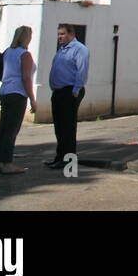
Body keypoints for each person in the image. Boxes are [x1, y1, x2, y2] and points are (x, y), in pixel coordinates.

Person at [0, 26, 36, 175]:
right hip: (17, 93)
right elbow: (26, 77)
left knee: (3, 128)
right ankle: (7, 163)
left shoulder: (8, 52)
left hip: (5, 91)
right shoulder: (25, 54)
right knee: (12, 129)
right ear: (27, 37)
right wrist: (32, 99)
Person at [46, 23, 89, 169]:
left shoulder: (80, 49)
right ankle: (59, 157)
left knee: (68, 127)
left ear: (71, 34)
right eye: (58, 34)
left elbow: (82, 70)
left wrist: (76, 90)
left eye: (62, 34)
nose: (60, 37)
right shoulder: (62, 50)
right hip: (58, 91)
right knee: (59, 127)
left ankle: (68, 159)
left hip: (70, 90)